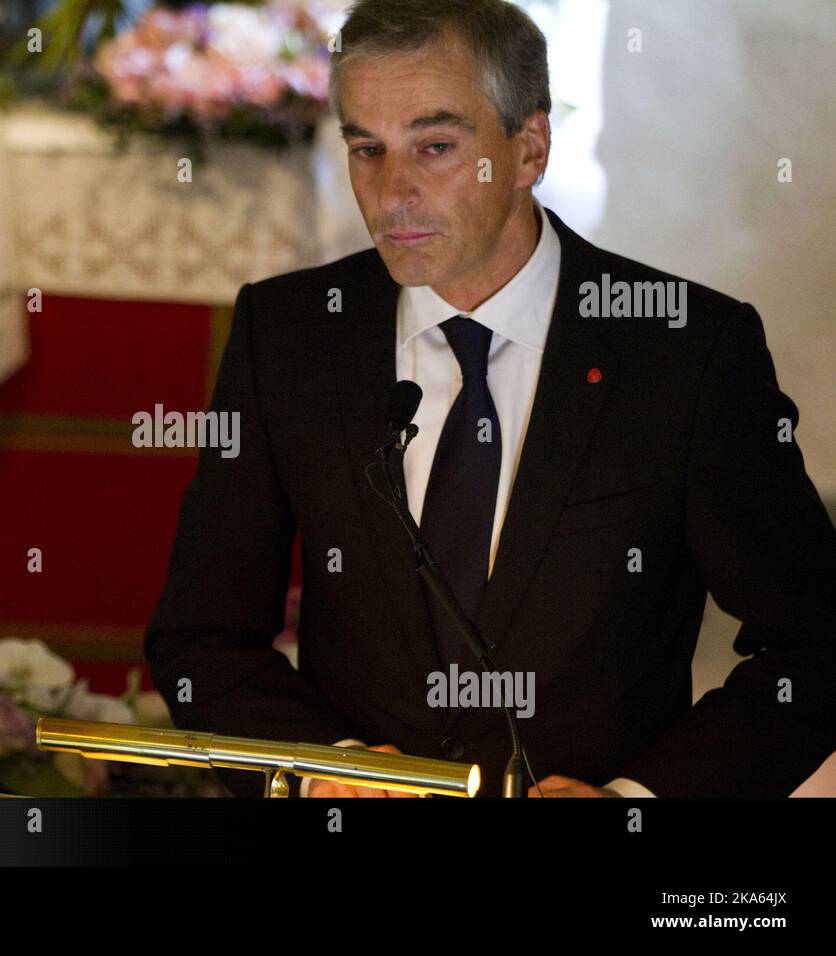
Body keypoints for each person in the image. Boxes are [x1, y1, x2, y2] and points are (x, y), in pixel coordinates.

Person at [143, 0, 836, 799]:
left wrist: (637, 801)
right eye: (367, 148)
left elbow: (812, 649)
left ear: (529, 148)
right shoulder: (288, 335)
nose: (392, 191)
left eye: (435, 146)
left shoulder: (689, 351)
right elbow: (202, 639)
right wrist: (325, 768)